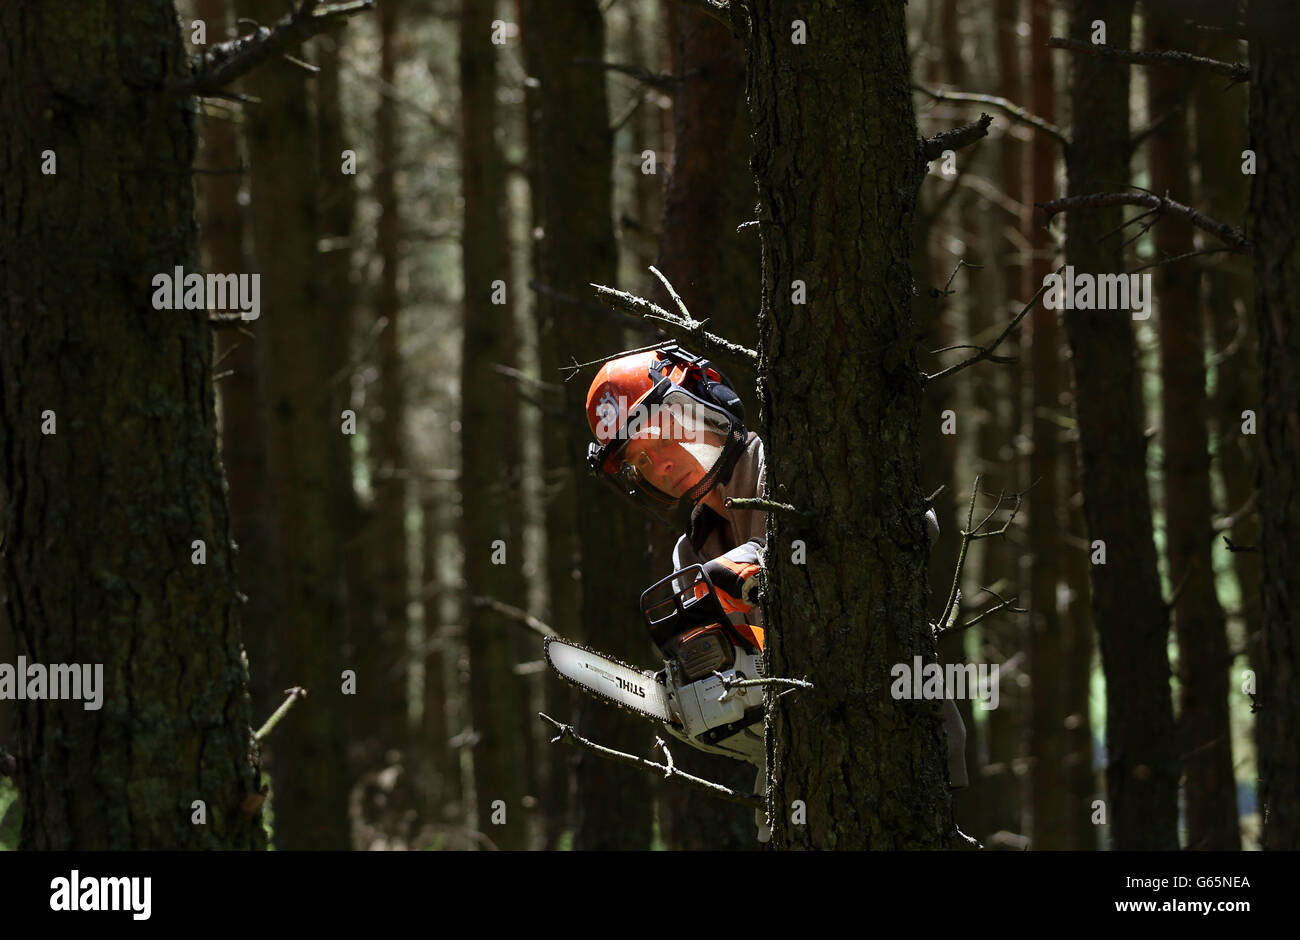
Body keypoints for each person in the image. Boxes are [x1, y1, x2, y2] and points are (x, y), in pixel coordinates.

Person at [583, 344, 967, 840]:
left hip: (893, 749)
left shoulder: (792, 462)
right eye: (640, 460)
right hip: (791, 778)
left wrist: (771, 563)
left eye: (658, 437)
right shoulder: (692, 552)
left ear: (696, 403)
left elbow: (914, 522)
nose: (658, 465)